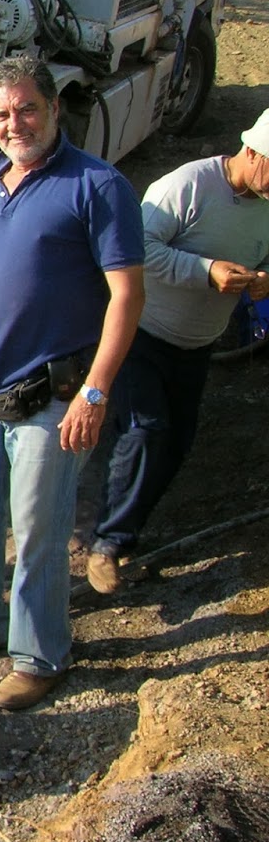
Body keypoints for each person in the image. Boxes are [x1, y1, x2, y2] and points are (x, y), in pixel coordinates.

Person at [0, 53, 144, 710]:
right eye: (1, 115)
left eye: (27, 109)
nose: (14, 124)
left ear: (54, 108)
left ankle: (41, 657)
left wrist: (97, 390)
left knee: (41, 528)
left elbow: (128, 295)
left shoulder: (97, 186)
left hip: (53, 396)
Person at [86, 112, 269, 593]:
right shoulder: (189, 184)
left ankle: (127, 535)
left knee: (176, 444)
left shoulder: (267, 201)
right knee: (146, 430)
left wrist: (262, 281)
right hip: (142, 333)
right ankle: (105, 544)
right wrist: (206, 271)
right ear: (251, 152)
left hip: (196, 344)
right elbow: (134, 248)